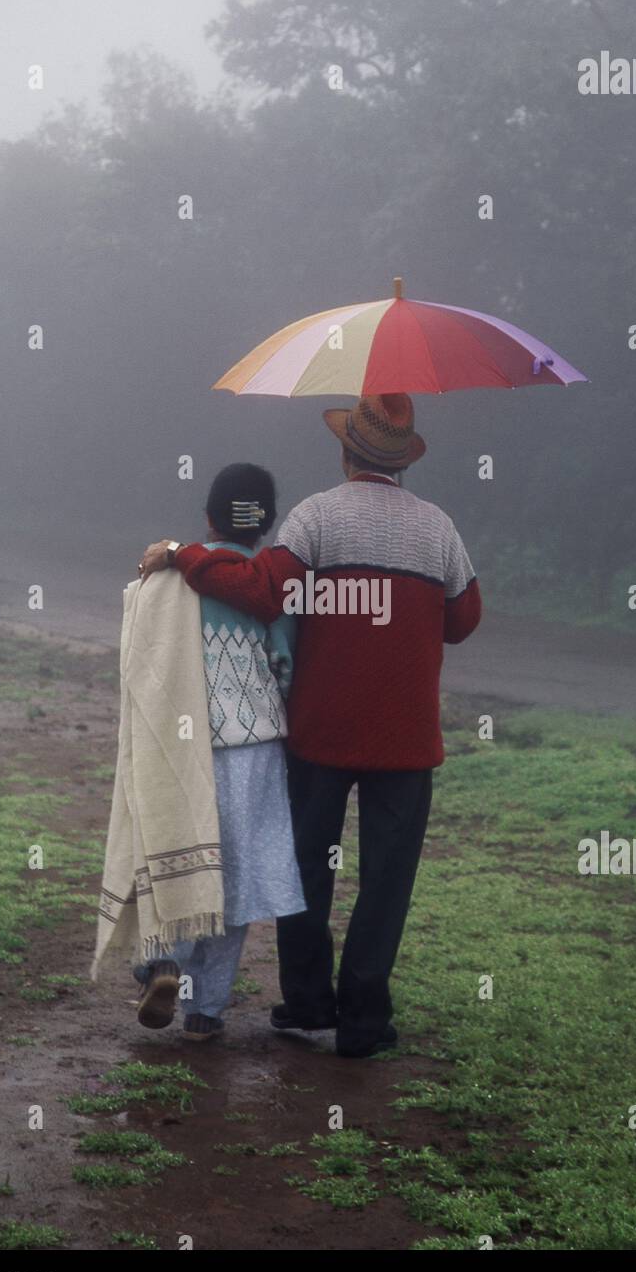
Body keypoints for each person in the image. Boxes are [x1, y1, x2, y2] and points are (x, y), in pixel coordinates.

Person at [139, 395, 481, 1056]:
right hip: (406, 744)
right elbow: (463, 621)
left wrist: (186, 555)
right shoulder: (439, 528)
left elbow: (261, 591)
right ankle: (364, 1021)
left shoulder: (316, 516)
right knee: (386, 879)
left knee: (308, 870)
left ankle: (306, 1004)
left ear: (347, 450)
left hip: (321, 736)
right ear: (404, 460)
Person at [135, 463, 305, 1041]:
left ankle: (164, 961)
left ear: (208, 515)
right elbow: (285, 669)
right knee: (234, 874)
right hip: (252, 750)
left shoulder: (165, 572)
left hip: (181, 746)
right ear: (264, 526)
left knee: (180, 856)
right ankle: (205, 1010)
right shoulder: (270, 587)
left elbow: (142, 661)